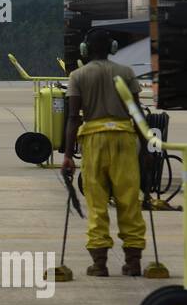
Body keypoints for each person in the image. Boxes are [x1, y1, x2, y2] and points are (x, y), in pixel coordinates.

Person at [61, 28, 145, 276]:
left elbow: (73, 118)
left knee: (96, 202)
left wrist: (67, 154)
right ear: (113, 47)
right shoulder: (126, 72)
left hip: (94, 140)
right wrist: (148, 147)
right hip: (124, 139)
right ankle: (133, 261)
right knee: (129, 200)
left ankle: (99, 263)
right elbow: (137, 112)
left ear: (85, 50)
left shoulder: (78, 75)